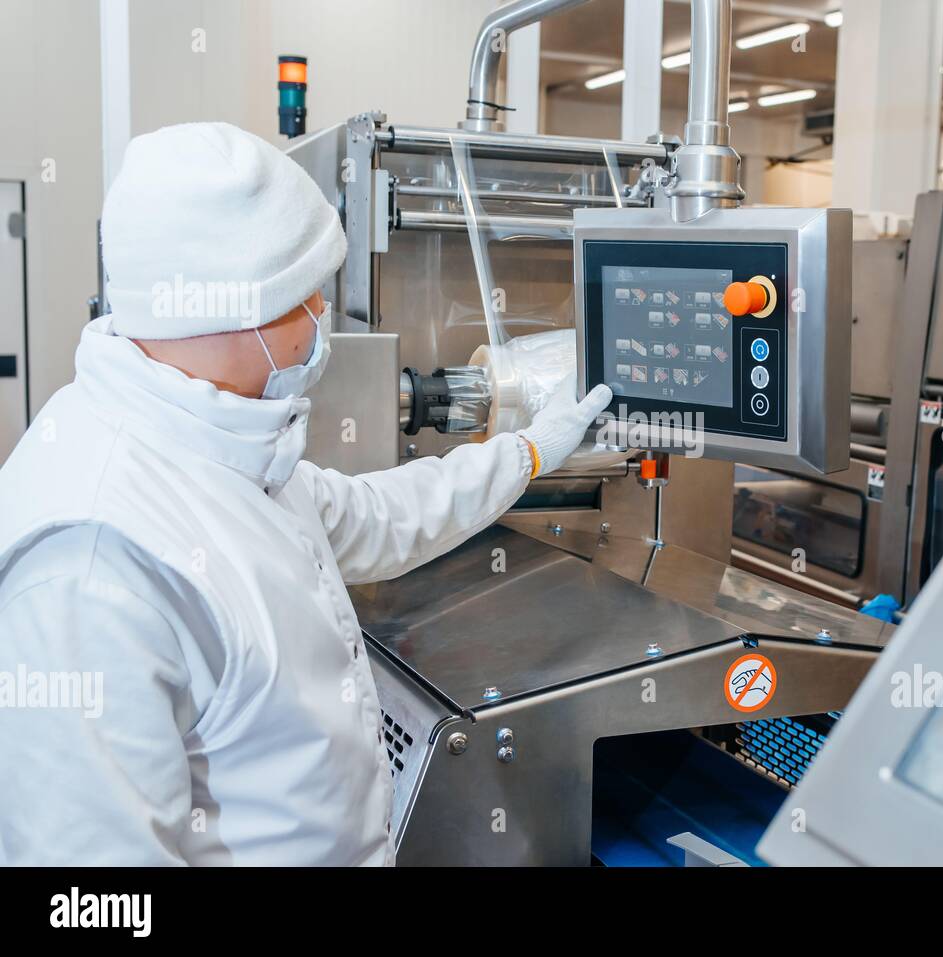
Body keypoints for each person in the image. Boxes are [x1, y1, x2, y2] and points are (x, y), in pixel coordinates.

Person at [0, 122, 611, 865]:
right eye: (305, 297)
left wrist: (529, 449)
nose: (323, 319)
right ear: (227, 311)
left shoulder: (224, 446)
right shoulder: (92, 569)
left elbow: (377, 517)